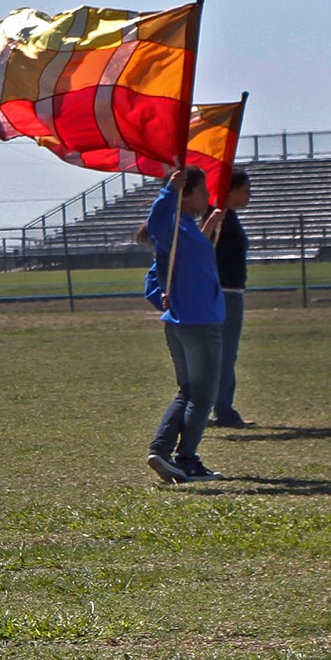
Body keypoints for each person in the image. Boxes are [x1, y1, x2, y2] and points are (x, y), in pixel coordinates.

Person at [144, 166, 227, 484]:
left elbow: (191, 257)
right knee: (204, 395)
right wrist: (169, 191)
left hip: (188, 321)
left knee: (189, 392)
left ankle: (161, 452)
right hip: (198, 322)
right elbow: (156, 224)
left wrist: (212, 223)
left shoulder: (186, 227)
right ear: (186, 193)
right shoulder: (172, 224)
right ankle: (187, 460)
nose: (207, 195)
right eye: (203, 190)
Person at [208, 169, 254, 428]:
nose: (249, 195)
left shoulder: (228, 217)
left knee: (223, 354)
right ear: (232, 191)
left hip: (230, 292)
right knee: (225, 354)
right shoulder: (221, 218)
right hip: (225, 293)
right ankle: (222, 410)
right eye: (246, 190)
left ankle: (217, 407)